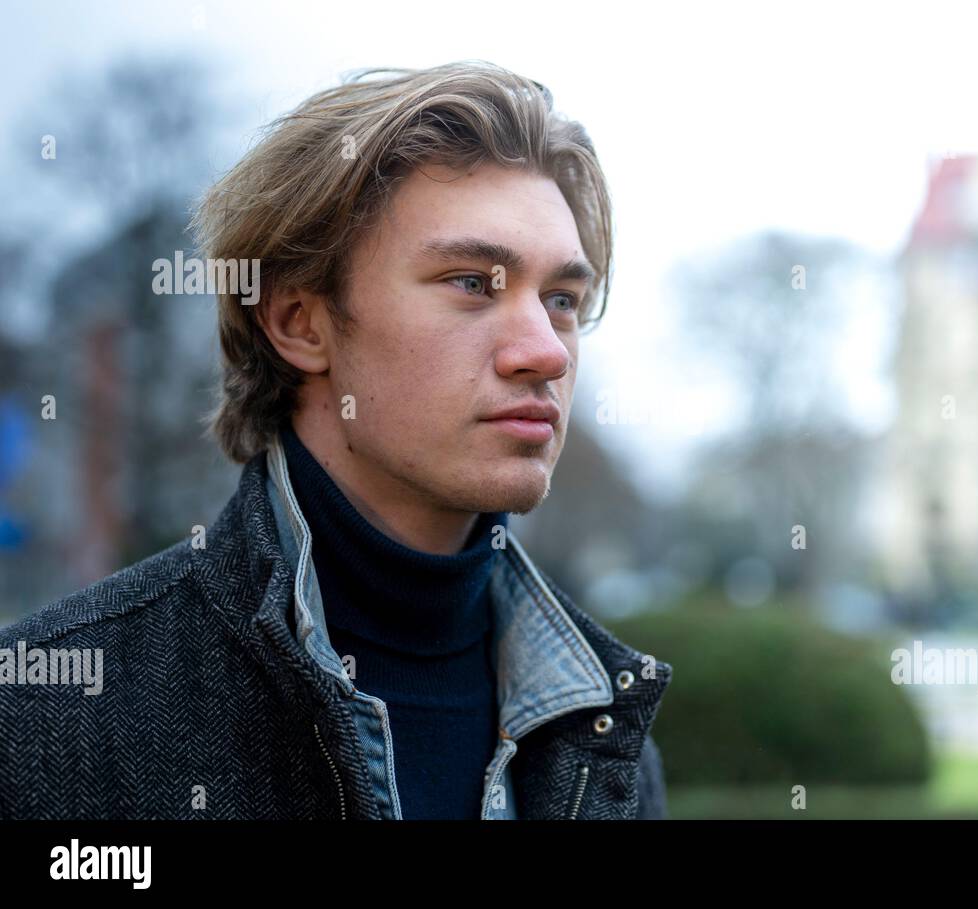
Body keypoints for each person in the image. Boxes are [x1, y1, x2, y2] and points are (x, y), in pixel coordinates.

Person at [0, 60, 671, 820]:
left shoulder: (602, 740)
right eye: (472, 283)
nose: (546, 350)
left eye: (561, 299)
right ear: (299, 321)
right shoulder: (44, 720)